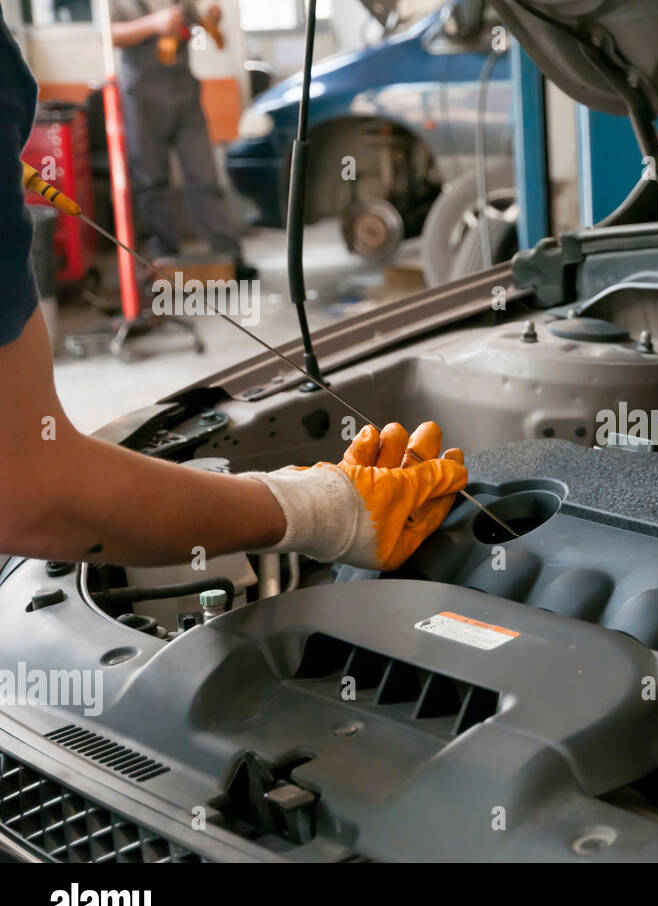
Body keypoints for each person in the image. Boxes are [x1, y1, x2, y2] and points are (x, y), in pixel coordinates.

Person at [1, 13, 466, 571]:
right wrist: (324, 509)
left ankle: (221, 256)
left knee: (200, 178)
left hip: (176, 83)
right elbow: (25, 486)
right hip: (144, 86)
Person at [108, 0, 249, 273]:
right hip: (141, 96)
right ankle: (164, 258)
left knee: (204, 175)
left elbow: (202, 22)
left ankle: (228, 255)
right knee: (151, 180)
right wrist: (153, 24)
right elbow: (109, 34)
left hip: (185, 93)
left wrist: (214, 18)